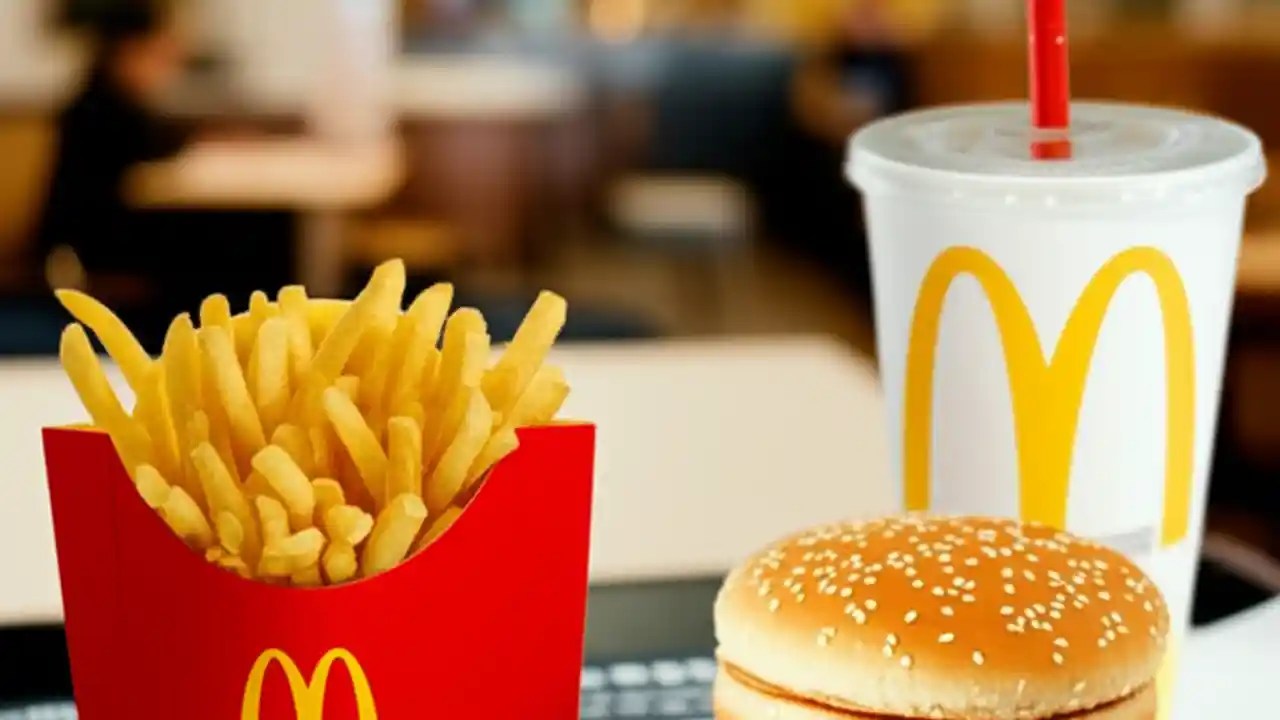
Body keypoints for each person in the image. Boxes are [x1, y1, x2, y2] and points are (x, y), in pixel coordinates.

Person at [36, 2, 190, 299]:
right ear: (127, 52)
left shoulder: (100, 101)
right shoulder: (102, 112)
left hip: (97, 249)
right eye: (160, 54)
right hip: (98, 262)